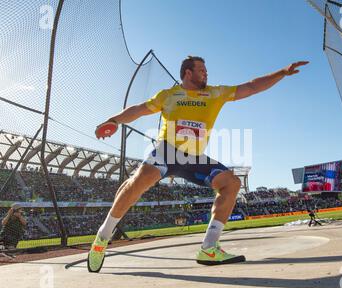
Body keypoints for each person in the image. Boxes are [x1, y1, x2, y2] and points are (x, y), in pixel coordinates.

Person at [87, 56, 309, 272]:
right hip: (167, 152)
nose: (206, 73)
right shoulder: (169, 95)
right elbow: (138, 109)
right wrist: (114, 120)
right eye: (202, 69)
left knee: (231, 183)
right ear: (188, 73)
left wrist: (282, 72)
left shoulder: (214, 93)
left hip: (194, 158)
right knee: (139, 182)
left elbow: (251, 87)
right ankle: (102, 237)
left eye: (206, 70)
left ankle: (209, 248)